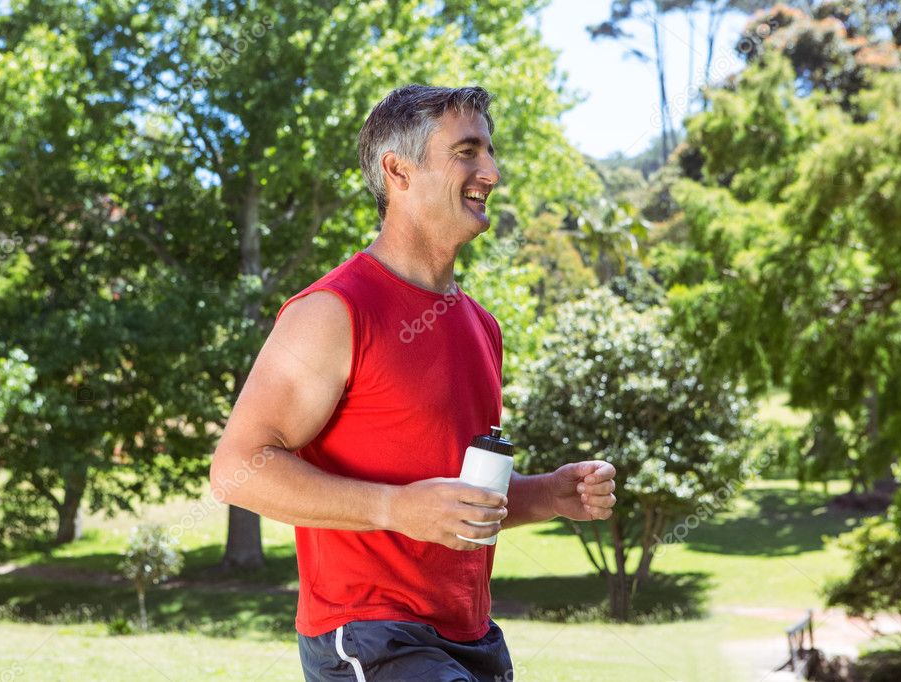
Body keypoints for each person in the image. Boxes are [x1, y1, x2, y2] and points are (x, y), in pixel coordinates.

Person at [209, 84, 617, 682]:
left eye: (490, 152)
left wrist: (551, 495)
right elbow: (237, 469)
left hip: (472, 635)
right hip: (372, 634)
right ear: (398, 171)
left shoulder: (482, 326)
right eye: (467, 152)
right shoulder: (333, 310)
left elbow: (456, 505)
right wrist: (392, 507)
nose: (492, 172)